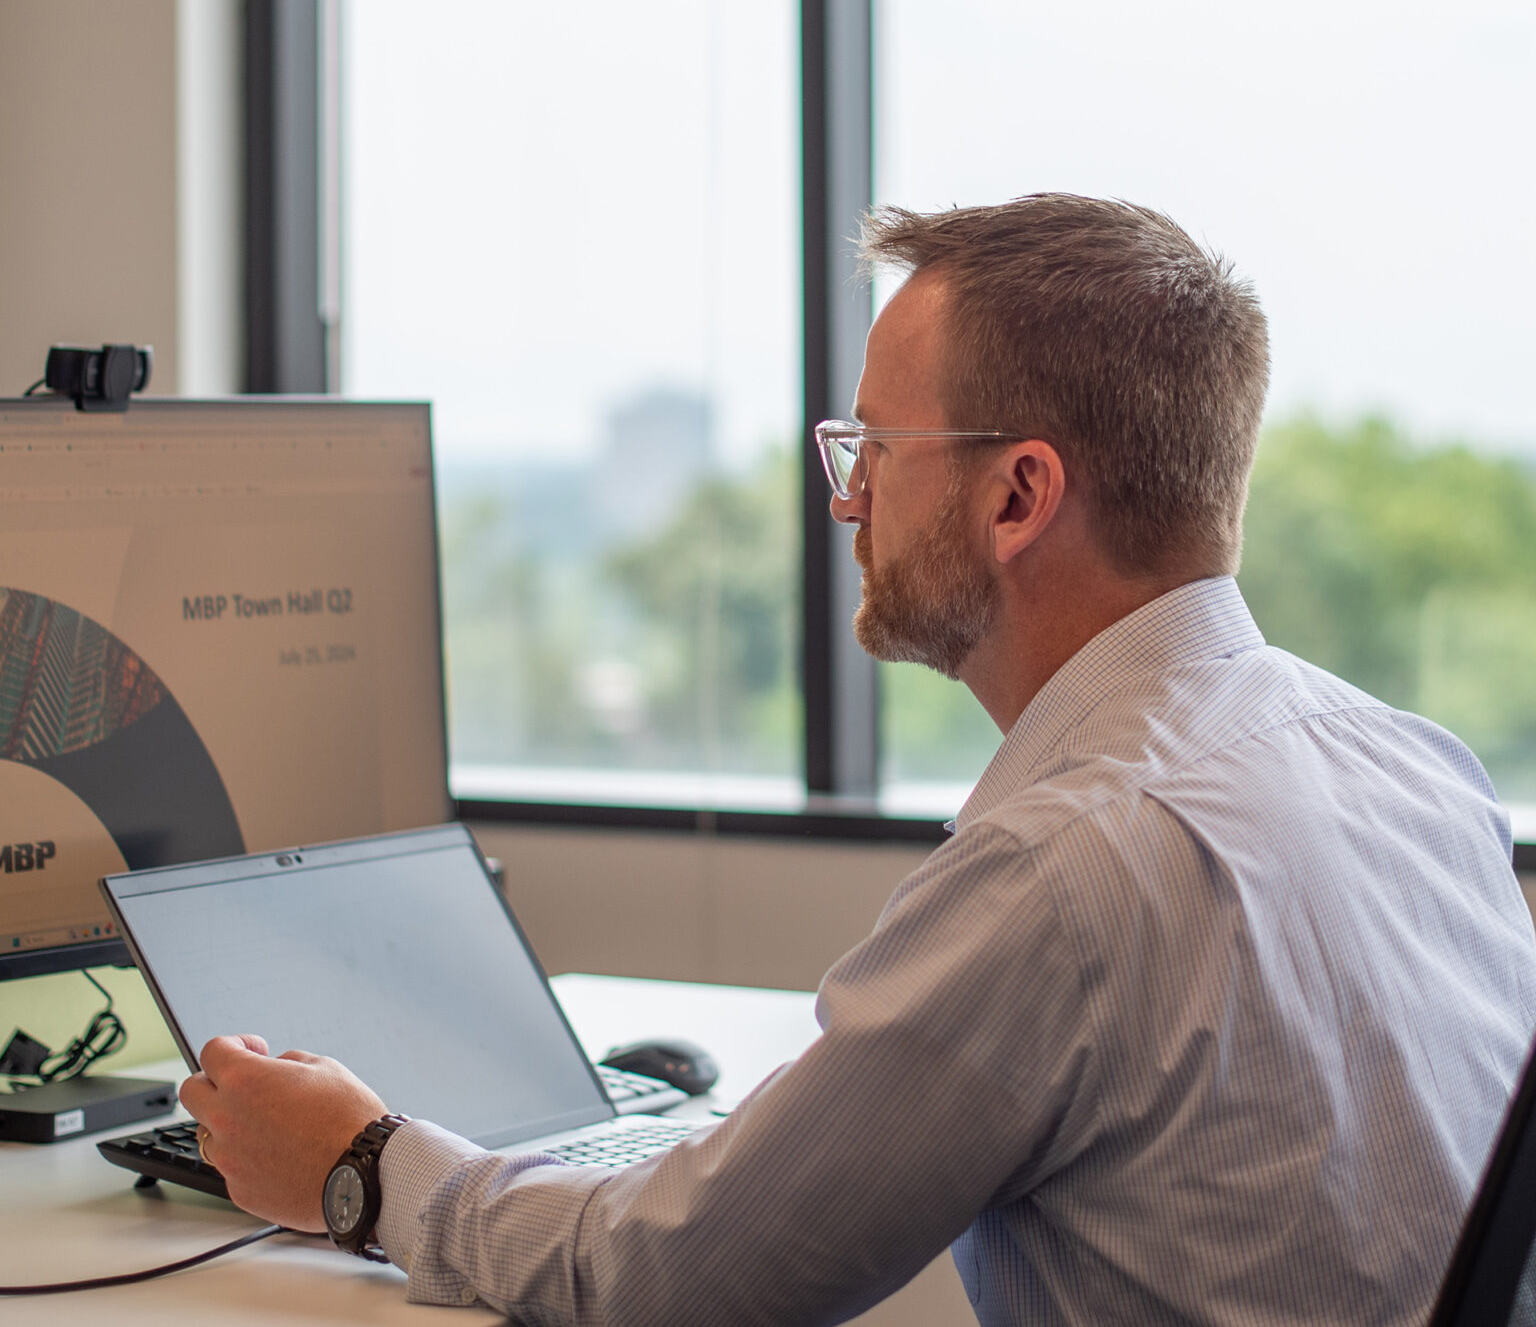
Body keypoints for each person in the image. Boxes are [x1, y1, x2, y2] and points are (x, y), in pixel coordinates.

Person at [181, 193, 1536, 1326]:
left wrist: (361, 1164)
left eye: (876, 448)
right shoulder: (1416, 764)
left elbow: (676, 1279)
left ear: (1019, 496)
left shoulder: (1071, 863)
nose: (848, 497)